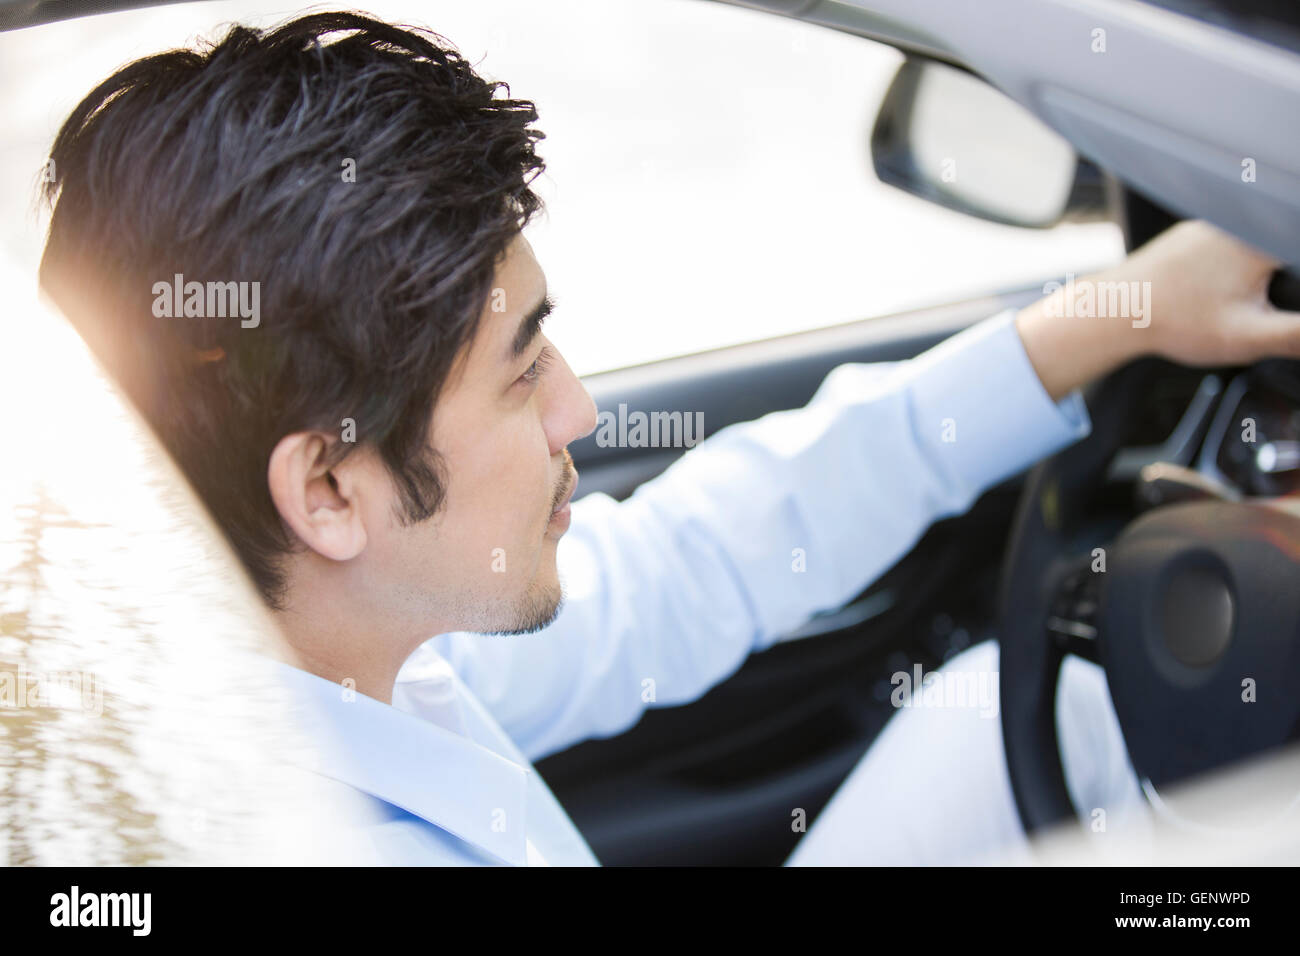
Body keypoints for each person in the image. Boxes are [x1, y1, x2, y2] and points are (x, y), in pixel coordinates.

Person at [37, 12, 1300, 865]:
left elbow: (703, 562)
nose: (577, 407)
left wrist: (1109, 319)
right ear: (327, 486)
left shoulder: (331, 641)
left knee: (998, 712)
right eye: (521, 365)